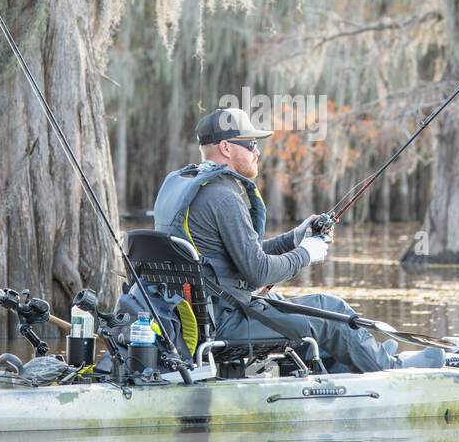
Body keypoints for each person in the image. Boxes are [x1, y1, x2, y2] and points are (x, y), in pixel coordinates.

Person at [153, 108, 399, 374]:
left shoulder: (186, 187)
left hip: (201, 315)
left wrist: (294, 239)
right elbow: (257, 272)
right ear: (225, 147)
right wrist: (307, 254)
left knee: (307, 309)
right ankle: (390, 370)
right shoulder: (223, 197)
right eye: (251, 145)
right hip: (226, 320)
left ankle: (355, 363)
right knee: (330, 310)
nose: (257, 152)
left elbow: (240, 257)